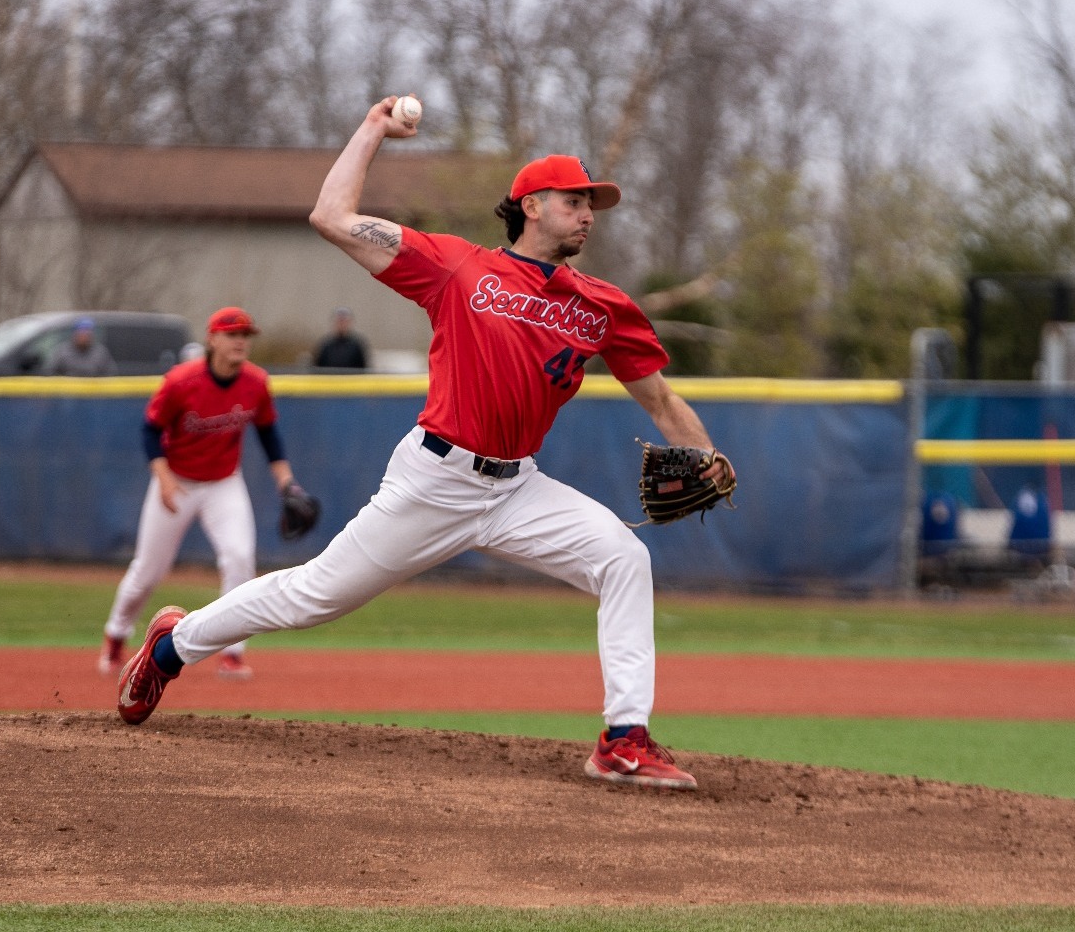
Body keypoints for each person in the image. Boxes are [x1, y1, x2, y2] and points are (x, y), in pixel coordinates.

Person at [118, 96, 735, 790]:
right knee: (314, 597)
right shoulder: (457, 267)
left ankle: (622, 740)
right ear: (531, 206)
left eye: (591, 204)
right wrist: (373, 130)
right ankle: (172, 647)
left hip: (517, 489)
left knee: (623, 558)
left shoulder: (602, 305)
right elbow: (331, 218)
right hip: (436, 479)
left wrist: (707, 455)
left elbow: (660, 400)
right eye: (574, 200)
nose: (588, 214)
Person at [97, 306, 304, 682]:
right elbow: (150, 430)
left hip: (224, 483)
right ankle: (115, 637)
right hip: (177, 480)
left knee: (239, 558)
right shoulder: (181, 381)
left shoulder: (256, 382)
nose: (241, 341)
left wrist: (287, 482)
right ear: (212, 339)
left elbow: (268, 434)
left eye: (246, 335)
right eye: (232, 334)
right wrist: (162, 477)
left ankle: (232, 654)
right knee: (148, 571)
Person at [44, 317, 117, 376]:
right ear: (75, 334)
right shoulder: (62, 352)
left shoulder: (100, 353)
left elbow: (111, 373)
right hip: (68, 389)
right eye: (81, 334)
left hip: (93, 389)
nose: (84, 337)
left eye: (87, 334)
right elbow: (49, 372)